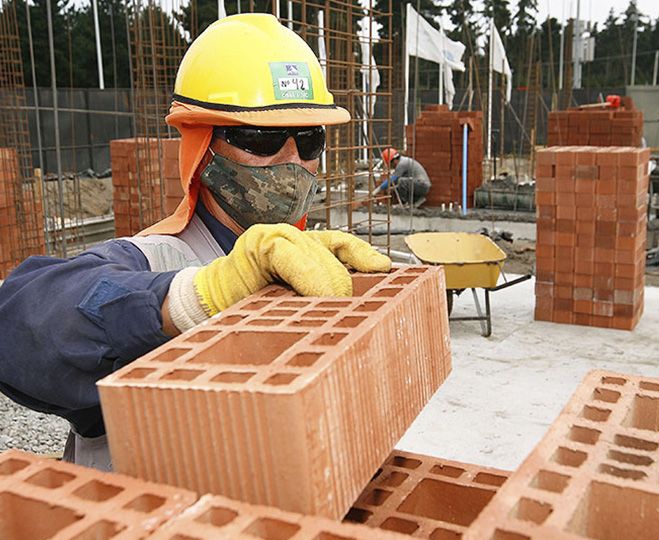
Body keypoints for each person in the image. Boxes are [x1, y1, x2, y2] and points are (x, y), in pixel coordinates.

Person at [0, 14, 390, 471]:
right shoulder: (155, 259)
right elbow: (18, 325)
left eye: (309, 139)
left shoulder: (311, 265)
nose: (291, 161)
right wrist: (194, 299)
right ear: (203, 146)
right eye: (259, 139)